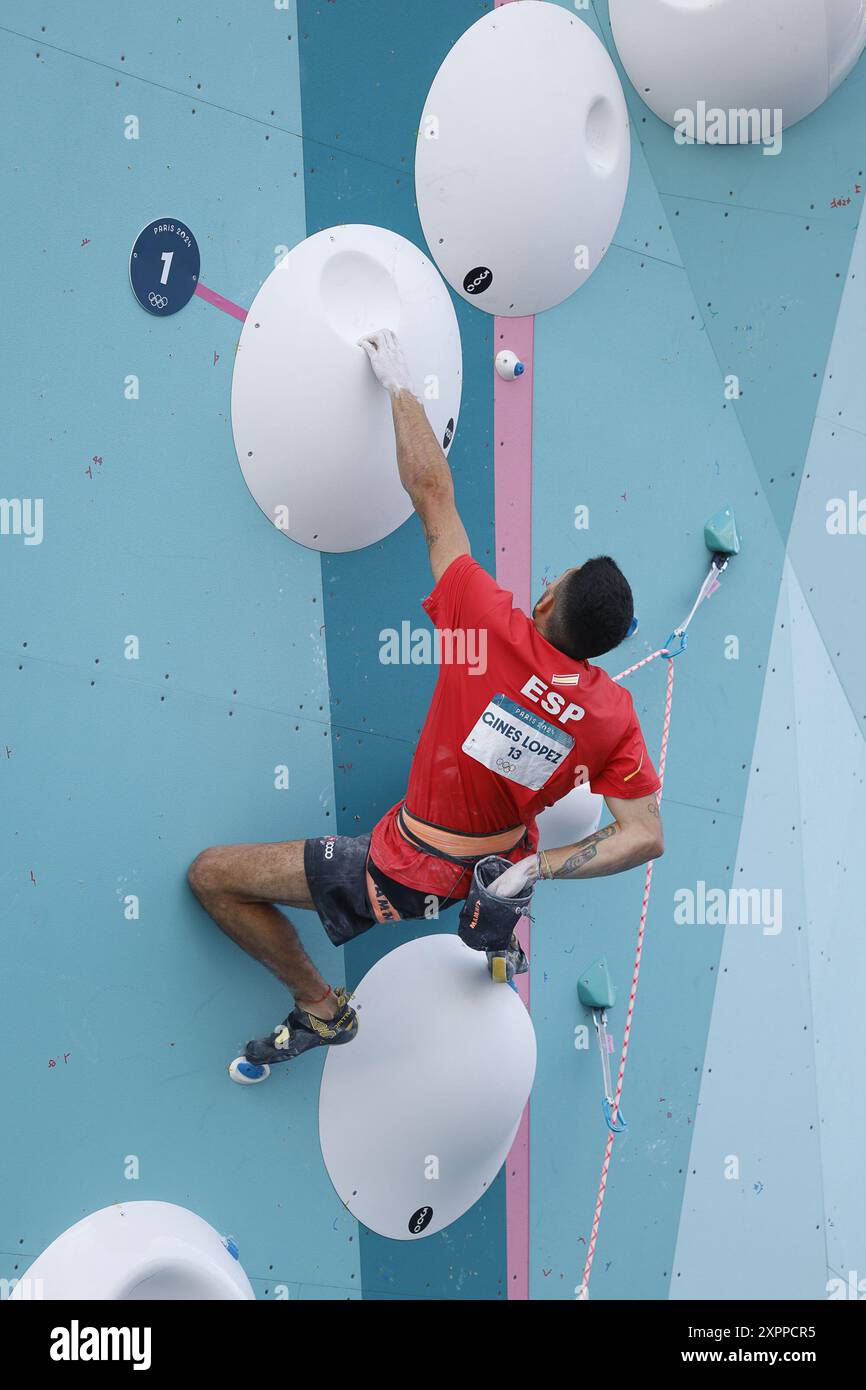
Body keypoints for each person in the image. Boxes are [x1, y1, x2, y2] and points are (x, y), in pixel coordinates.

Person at [188, 330, 664, 1083]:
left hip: (404, 871)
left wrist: (399, 384)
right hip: (501, 859)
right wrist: (534, 868)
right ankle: (499, 926)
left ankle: (320, 1008)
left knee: (211, 875)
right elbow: (644, 837)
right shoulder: (614, 715)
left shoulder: (483, 618)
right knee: (499, 883)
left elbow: (432, 496)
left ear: (543, 600)